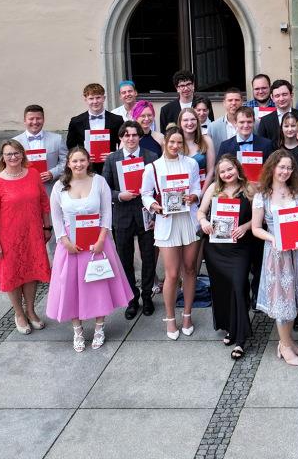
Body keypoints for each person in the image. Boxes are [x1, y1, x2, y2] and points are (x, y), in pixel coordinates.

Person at [46, 147, 135, 352]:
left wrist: (102, 239)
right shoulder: (59, 186)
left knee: (98, 285)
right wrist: (65, 241)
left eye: (82, 160)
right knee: (71, 286)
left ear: (88, 161)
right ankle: (77, 330)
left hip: (96, 242)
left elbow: (106, 212)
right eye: (74, 161)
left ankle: (99, 328)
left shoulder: (99, 182)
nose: (78, 164)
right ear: (68, 163)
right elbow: (56, 217)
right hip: (71, 244)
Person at [250, 150, 298, 364]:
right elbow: (256, 228)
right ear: (272, 167)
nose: (285, 171)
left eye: (289, 167)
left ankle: (287, 340)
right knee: (282, 298)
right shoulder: (262, 195)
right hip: (276, 253)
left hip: (296, 251)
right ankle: (285, 345)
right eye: (282, 167)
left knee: (294, 295)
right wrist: (273, 239)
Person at [141, 127, 203, 339]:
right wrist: (154, 206)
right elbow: (145, 194)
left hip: (188, 220)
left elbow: (197, 188)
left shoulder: (191, 163)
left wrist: (194, 197)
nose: (175, 146)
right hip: (167, 222)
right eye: (172, 142)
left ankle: (187, 315)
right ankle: (170, 318)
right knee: (173, 274)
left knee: (190, 270)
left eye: (179, 142)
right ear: (165, 143)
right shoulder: (153, 167)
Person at [0, 140, 52, 334]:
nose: (13, 157)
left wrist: (47, 227)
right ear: (3, 158)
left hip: (33, 233)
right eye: (8, 154)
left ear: (22, 154)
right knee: (13, 275)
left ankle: (30, 310)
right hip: (8, 238)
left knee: (31, 272)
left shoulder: (33, 174)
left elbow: (44, 202)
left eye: (16, 153)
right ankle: (19, 313)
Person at [198, 154, 256, 359]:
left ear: (237, 168)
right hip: (216, 249)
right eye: (222, 171)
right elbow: (201, 212)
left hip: (240, 248)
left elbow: (260, 219)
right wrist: (204, 222)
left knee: (239, 287)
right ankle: (231, 328)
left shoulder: (250, 189)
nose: (227, 174)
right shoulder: (214, 189)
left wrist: (245, 227)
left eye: (230, 169)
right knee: (223, 289)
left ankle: (240, 340)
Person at [101, 121, 159, 319]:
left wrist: (155, 211)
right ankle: (132, 299)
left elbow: (157, 187)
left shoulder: (151, 157)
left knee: (148, 257)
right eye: (127, 135)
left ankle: (147, 296)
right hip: (122, 215)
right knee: (125, 259)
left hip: (146, 214)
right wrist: (119, 195)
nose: (131, 138)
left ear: (140, 137)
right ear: (121, 138)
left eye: (134, 135)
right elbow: (105, 189)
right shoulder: (112, 159)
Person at [66, 83, 123, 172]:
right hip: (85, 168)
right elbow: (71, 146)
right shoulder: (76, 121)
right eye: (91, 98)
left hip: (110, 167)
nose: (95, 101)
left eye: (98, 97)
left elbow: (123, 143)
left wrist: (114, 155)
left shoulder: (117, 120)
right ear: (86, 100)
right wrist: (82, 155)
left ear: (104, 98)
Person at [14, 104, 67, 195]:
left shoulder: (57, 139)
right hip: (23, 189)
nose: (35, 122)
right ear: (24, 121)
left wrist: (53, 173)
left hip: (50, 189)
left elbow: (66, 161)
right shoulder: (15, 142)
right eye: (31, 119)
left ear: (43, 120)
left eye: (38, 118)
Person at [178, 108, 215, 189]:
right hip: (180, 188)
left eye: (193, 119)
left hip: (202, 187)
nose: (190, 123)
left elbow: (211, 171)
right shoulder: (175, 141)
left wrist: (202, 193)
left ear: (197, 121)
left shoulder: (206, 140)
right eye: (185, 120)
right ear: (180, 123)